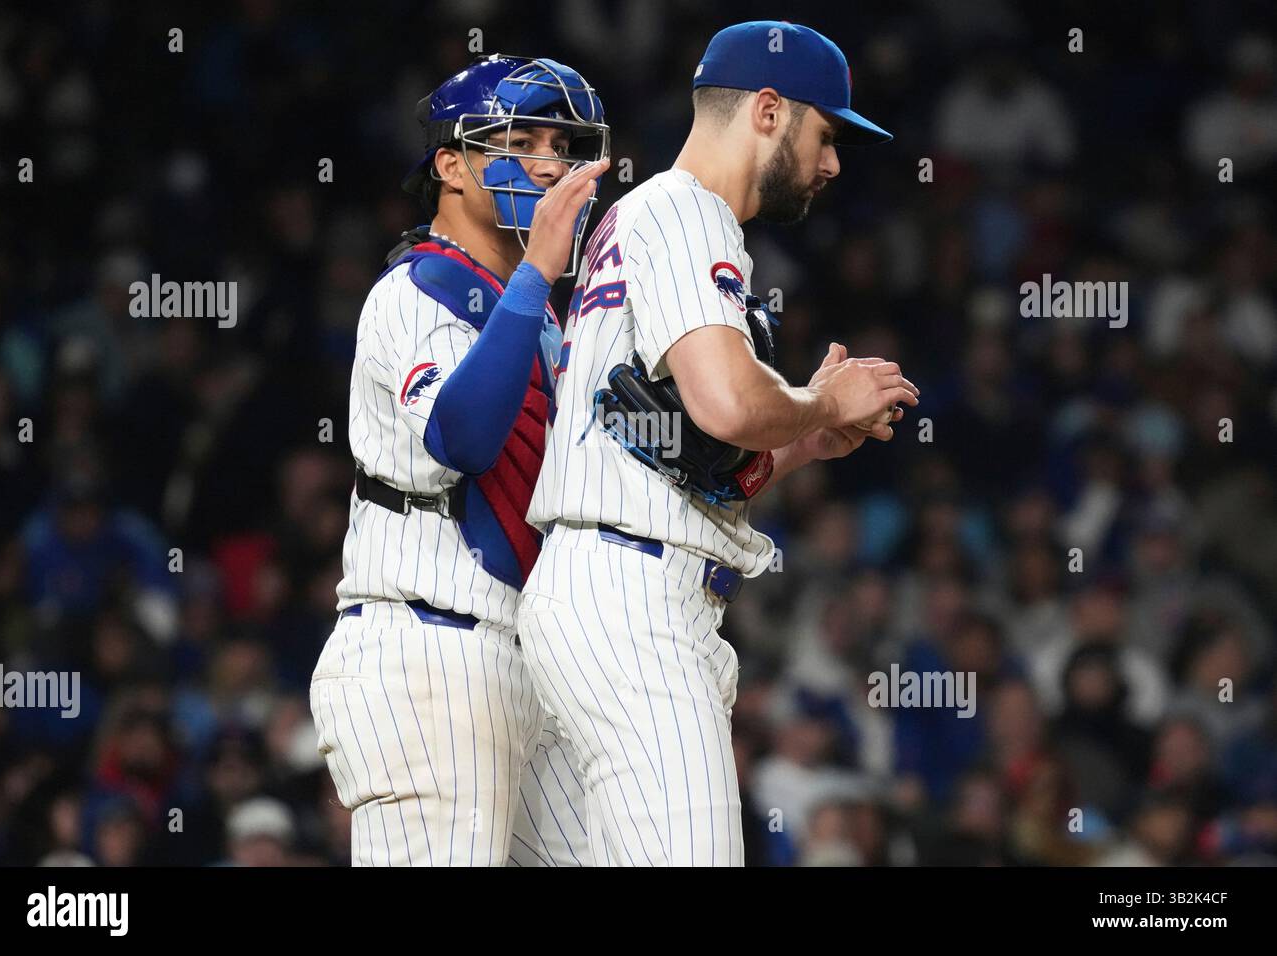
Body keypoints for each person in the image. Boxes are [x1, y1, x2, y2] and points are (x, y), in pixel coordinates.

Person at [517, 21, 917, 865]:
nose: (834, 162)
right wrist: (817, 398)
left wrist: (802, 443)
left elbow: (674, 448)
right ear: (768, 110)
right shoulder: (687, 209)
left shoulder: (650, 218)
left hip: (607, 584)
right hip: (631, 599)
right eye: (827, 133)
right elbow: (731, 402)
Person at [309, 53, 611, 866]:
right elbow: (466, 436)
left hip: (528, 667)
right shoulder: (413, 291)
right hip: (424, 653)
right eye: (517, 139)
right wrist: (539, 272)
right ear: (450, 164)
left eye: (564, 142)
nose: (549, 162)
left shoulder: (542, 313)